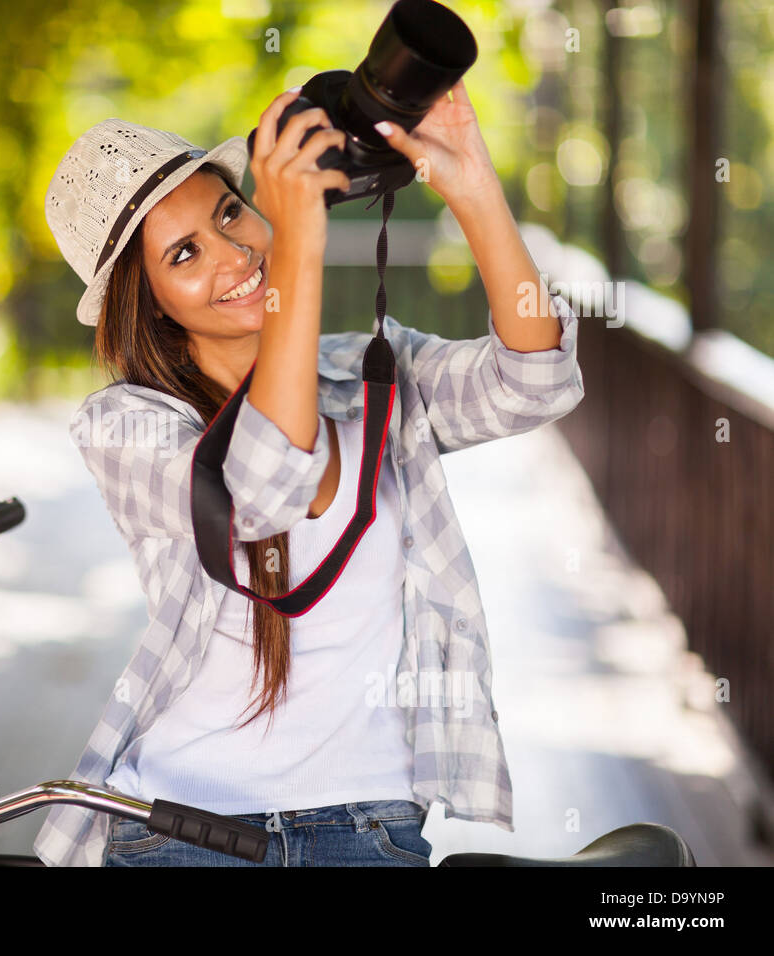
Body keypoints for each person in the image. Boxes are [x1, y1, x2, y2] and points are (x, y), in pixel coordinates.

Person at [35, 81, 585, 866]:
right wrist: (298, 245)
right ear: (149, 301)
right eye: (183, 254)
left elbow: (535, 381)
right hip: (183, 828)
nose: (233, 255)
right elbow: (265, 489)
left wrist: (469, 180)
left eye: (230, 212)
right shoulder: (127, 427)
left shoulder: (371, 372)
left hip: (370, 825)